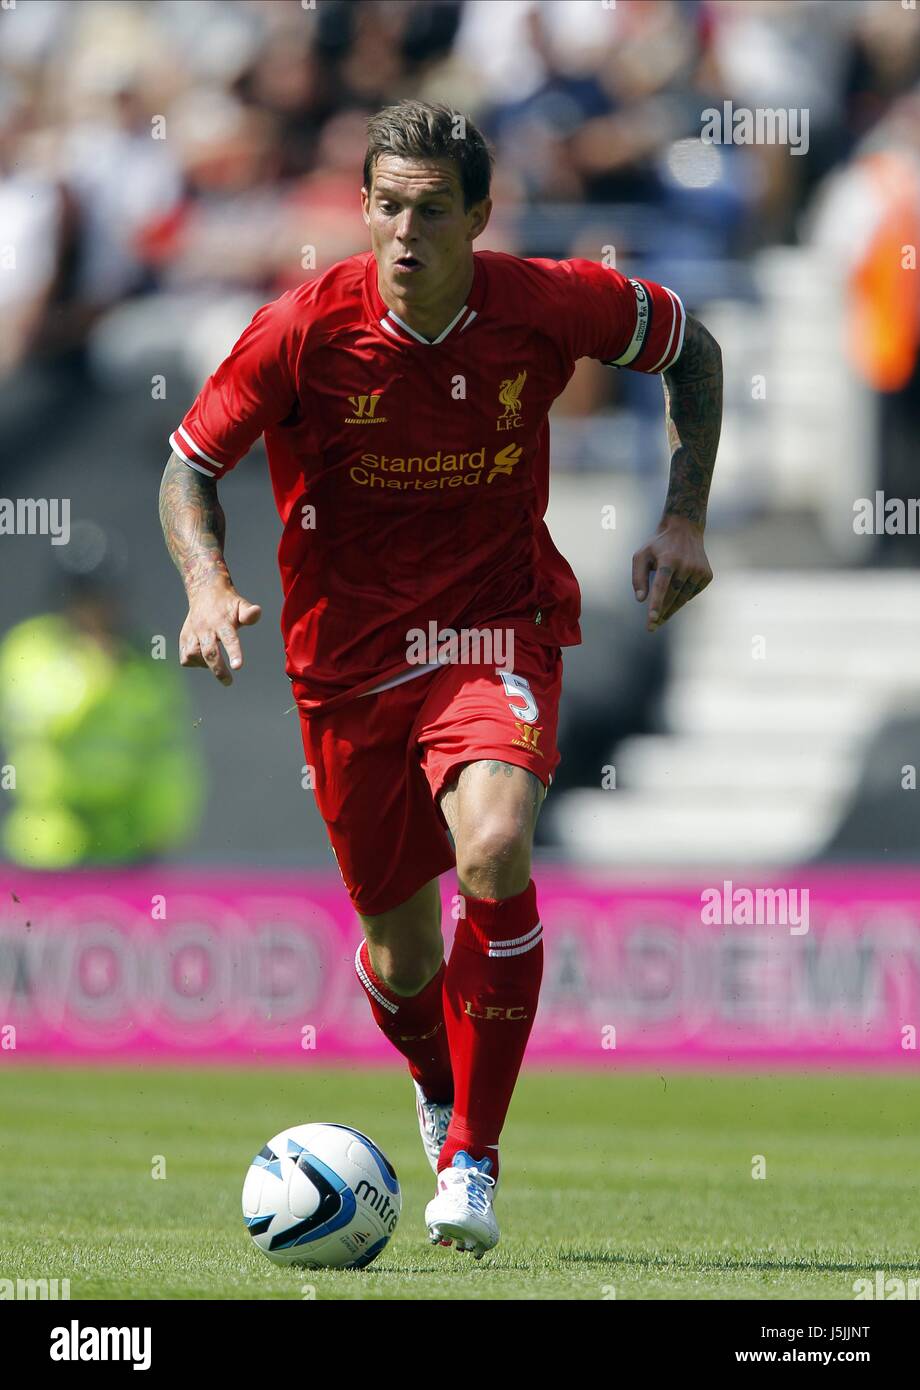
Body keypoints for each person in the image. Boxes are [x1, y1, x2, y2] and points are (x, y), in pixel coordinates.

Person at [159, 99, 721, 1259]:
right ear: (361, 209)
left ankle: (471, 1155)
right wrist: (205, 587)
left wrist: (681, 519)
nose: (403, 232)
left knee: (495, 846)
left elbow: (690, 349)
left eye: (429, 209)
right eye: (384, 207)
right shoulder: (302, 330)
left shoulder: (549, 302)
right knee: (402, 956)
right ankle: (431, 1072)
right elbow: (188, 467)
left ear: (478, 214)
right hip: (347, 663)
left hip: (491, 627)